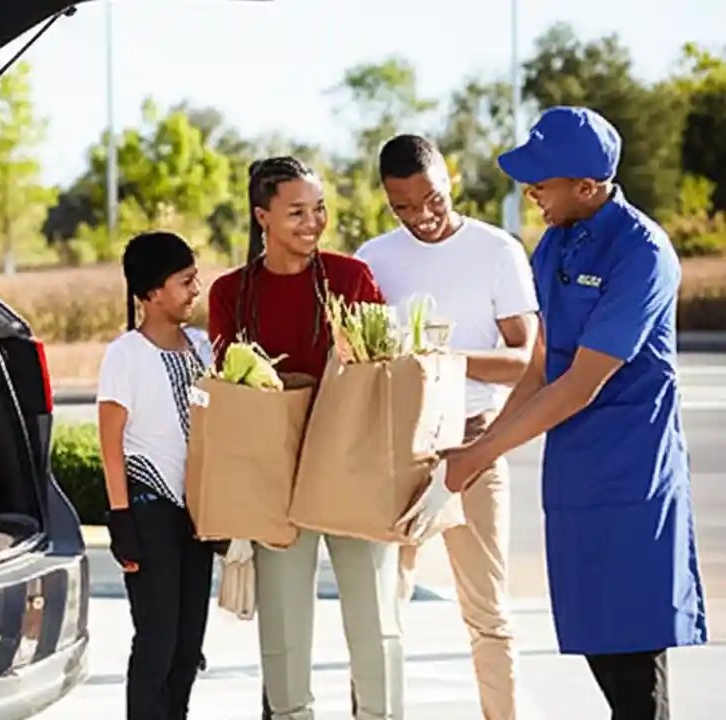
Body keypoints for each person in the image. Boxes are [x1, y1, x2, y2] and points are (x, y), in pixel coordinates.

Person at [402, 106, 709, 719]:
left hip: (633, 479)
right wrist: (480, 442)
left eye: (541, 183)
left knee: (635, 667)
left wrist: (477, 457)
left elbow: (581, 383)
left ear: (588, 187)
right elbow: (541, 364)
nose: (530, 191)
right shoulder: (555, 245)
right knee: (597, 643)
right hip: (574, 476)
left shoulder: (643, 254)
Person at [208, 156, 402, 720]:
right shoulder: (231, 294)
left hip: (354, 471)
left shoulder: (351, 279)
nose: (313, 222)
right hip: (277, 480)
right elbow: (234, 389)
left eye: (319, 209)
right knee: (285, 628)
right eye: (297, 212)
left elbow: (381, 372)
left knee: (374, 623)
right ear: (261, 216)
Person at [355, 134, 539, 720]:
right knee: (381, 612)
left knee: (487, 613)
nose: (421, 217)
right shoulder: (373, 258)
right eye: (402, 207)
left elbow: (523, 361)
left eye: (431, 199)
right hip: (397, 448)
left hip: (476, 442)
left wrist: (441, 360)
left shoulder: (497, 251)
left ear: (449, 180)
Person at [98, 230, 215, 720]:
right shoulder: (126, 355)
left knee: (189, 646)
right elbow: (110, 440)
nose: (196, 289)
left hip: (198, 515)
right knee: (157, 644)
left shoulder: (205, 348)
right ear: (150, 293)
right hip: (149, 511)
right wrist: (120, 519)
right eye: (185, 281)